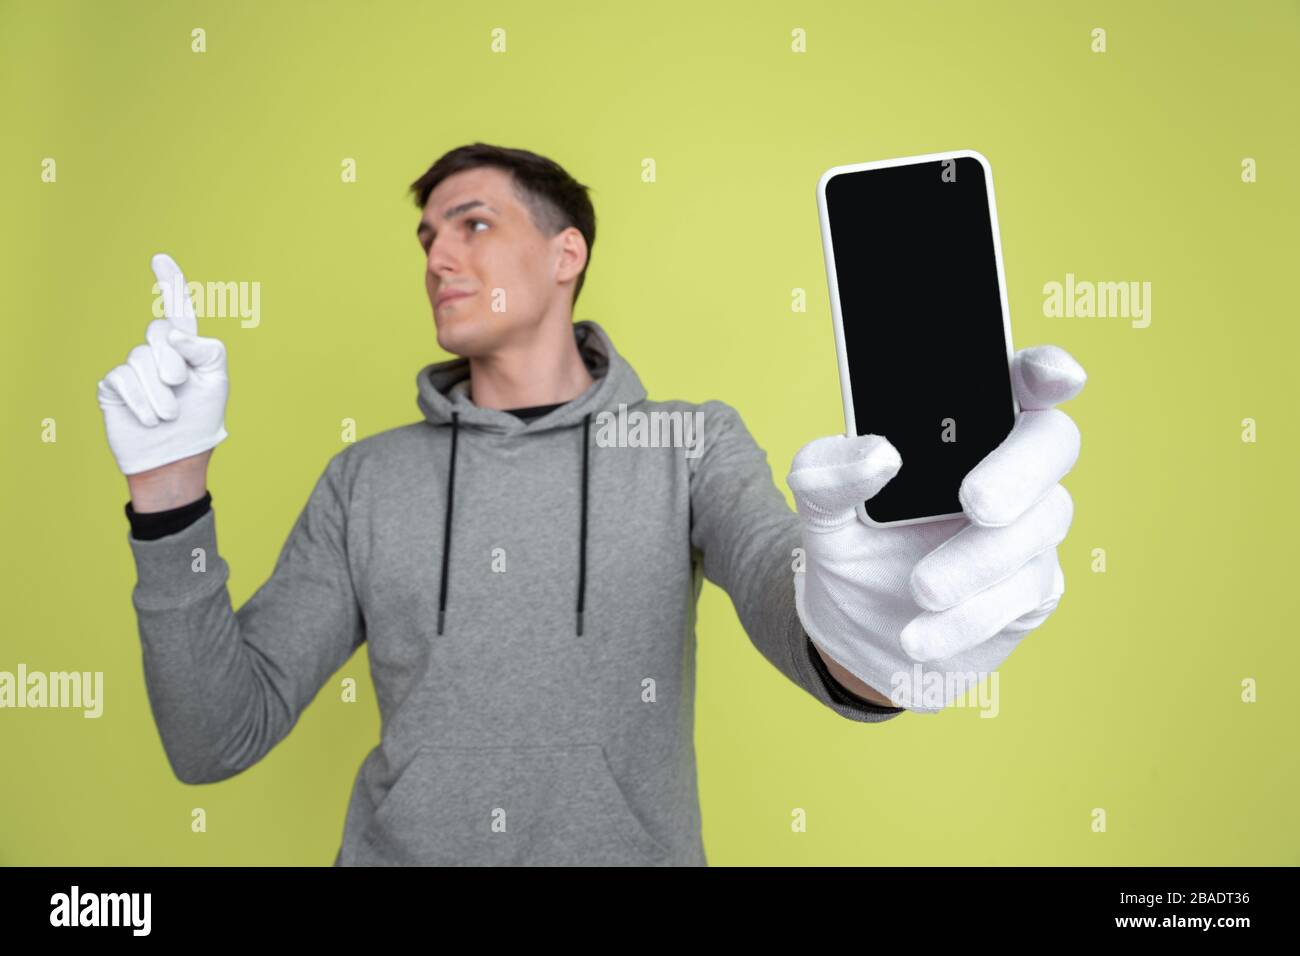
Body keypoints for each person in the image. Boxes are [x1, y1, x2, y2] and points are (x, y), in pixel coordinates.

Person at [96, 142, 1086, 866]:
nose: (439, 257)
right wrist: (169, 491)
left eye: (473, 224)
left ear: (566, 254)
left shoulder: (688, 445)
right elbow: (215, 736)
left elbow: (799, 609)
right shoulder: (366, 480)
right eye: (427, 236)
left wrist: (878, 622)